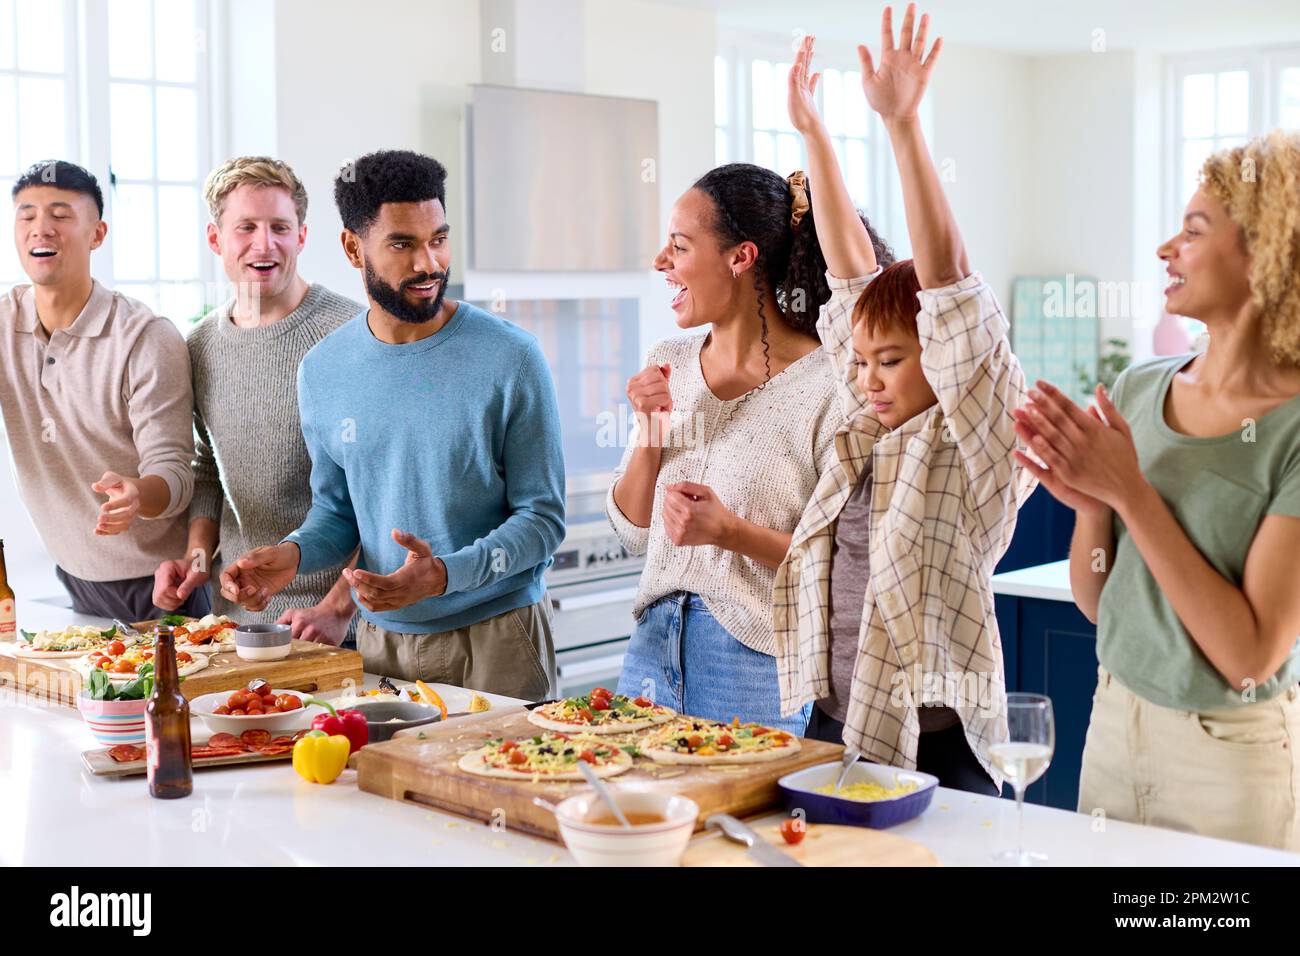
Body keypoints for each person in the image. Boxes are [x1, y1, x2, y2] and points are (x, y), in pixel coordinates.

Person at [1016, 129, 1300, 850]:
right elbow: (1099, 600)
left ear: (1265, 255)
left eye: (1194, 231)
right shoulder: (1140, 389)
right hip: (1114, 721)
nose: (1165, 249)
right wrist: (1091, 507)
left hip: (1228, 757)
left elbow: (1251, 656)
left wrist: (1131, 495)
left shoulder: (1292, 427)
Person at [775, 8, 1035, 794]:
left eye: (891, 361)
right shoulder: (866, 429)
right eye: (861, 361)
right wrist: (816, 136)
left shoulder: (977, 442)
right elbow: (852, 271)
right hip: (832, 724)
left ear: (943, 357)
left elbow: (950, 282)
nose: (867, 378)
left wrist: (902, 125)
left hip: (935, 751)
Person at [219, 150, 565, 699]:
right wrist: (290, 555)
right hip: (378, 645)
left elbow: (543, 520)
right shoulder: (324, 371)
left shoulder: (512, 357)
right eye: (403, 244)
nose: (429, 264)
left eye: (439, 239)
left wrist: (446, 575)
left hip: (498, 640)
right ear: (353, 248)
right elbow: (338, 514)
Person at [607, 156, 893, 731]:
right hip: (650, 646)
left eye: (680, 246)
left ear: (741, 257)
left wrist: (729, 533)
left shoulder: (829, 384)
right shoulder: (671, 362)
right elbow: (633, 533)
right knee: (635, 813)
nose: (661, 262)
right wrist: (650, 431)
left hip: (755, 660)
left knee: (745, 820)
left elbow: (843, 559)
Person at [152, 157, 362, 645]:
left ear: (302, 237)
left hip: (339, 620)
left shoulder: (352, 334)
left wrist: (337, 608)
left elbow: (387, 489)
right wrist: (197, 559)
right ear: (215, 239)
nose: (263, 245)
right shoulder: (200, 345)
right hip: (238, 617)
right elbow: (207, 466)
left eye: (279, 227)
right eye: (246, 227)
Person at [0, 160, 203, 621]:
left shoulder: (145, 337)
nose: (41, 230)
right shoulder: (4, 323)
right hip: (73, 575)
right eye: (26, 216)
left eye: (60, 215)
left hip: (163, 585)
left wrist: (136, 494)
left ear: (97, 233)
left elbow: (175, 474)